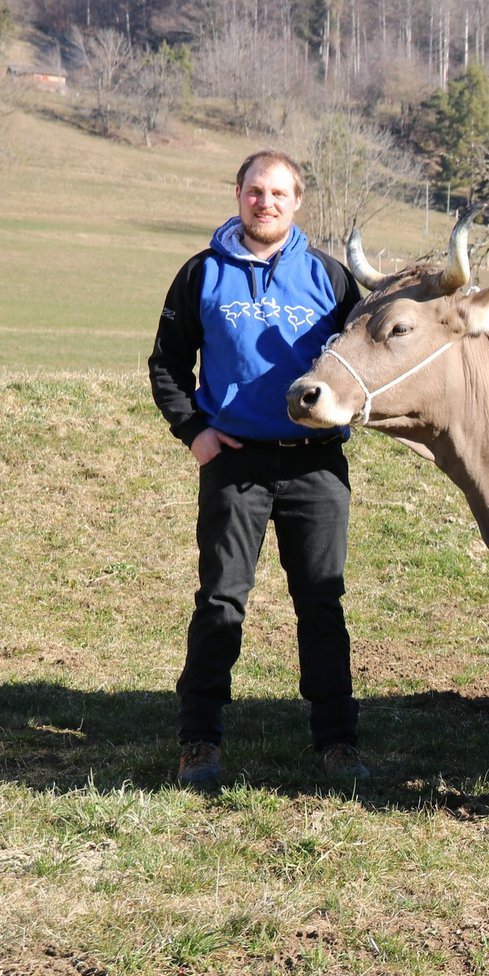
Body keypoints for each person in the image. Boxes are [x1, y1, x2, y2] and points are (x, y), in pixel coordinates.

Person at [148, 149, 367, 788]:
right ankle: (199, 741)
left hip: (316, 466)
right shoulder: (201, 274)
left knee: (321, 601)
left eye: (277, 193)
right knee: (221, 600)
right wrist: (195, 432)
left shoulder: (329, 277)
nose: (264, 202)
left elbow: (368, 357)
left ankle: (338, 743)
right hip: (234, 463)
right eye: (254, 191)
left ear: (297, 202)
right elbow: (167, 364)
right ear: (238, 195)